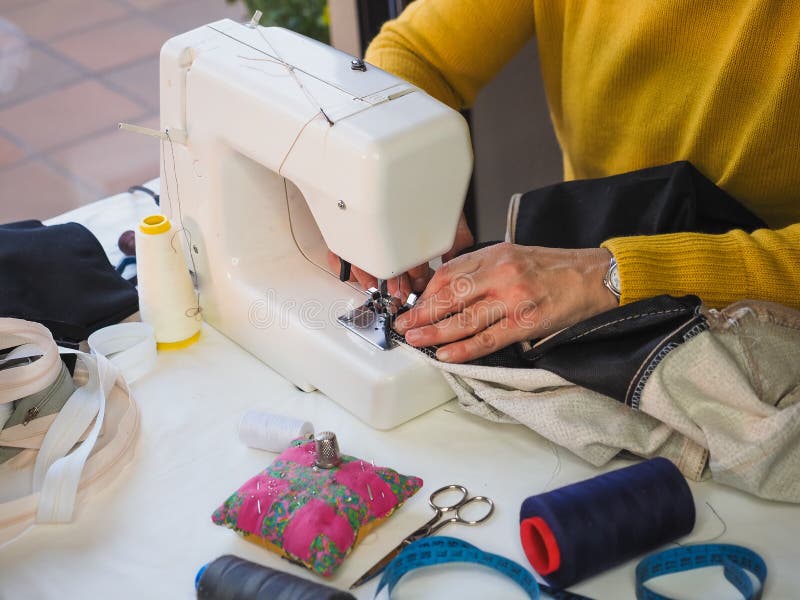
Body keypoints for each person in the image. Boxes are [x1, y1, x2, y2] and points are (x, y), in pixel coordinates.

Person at [328, 0, 800, 364]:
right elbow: (412, 53)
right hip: (591, 248)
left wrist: (611, 274)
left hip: (766, 312)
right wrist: (405, 172)